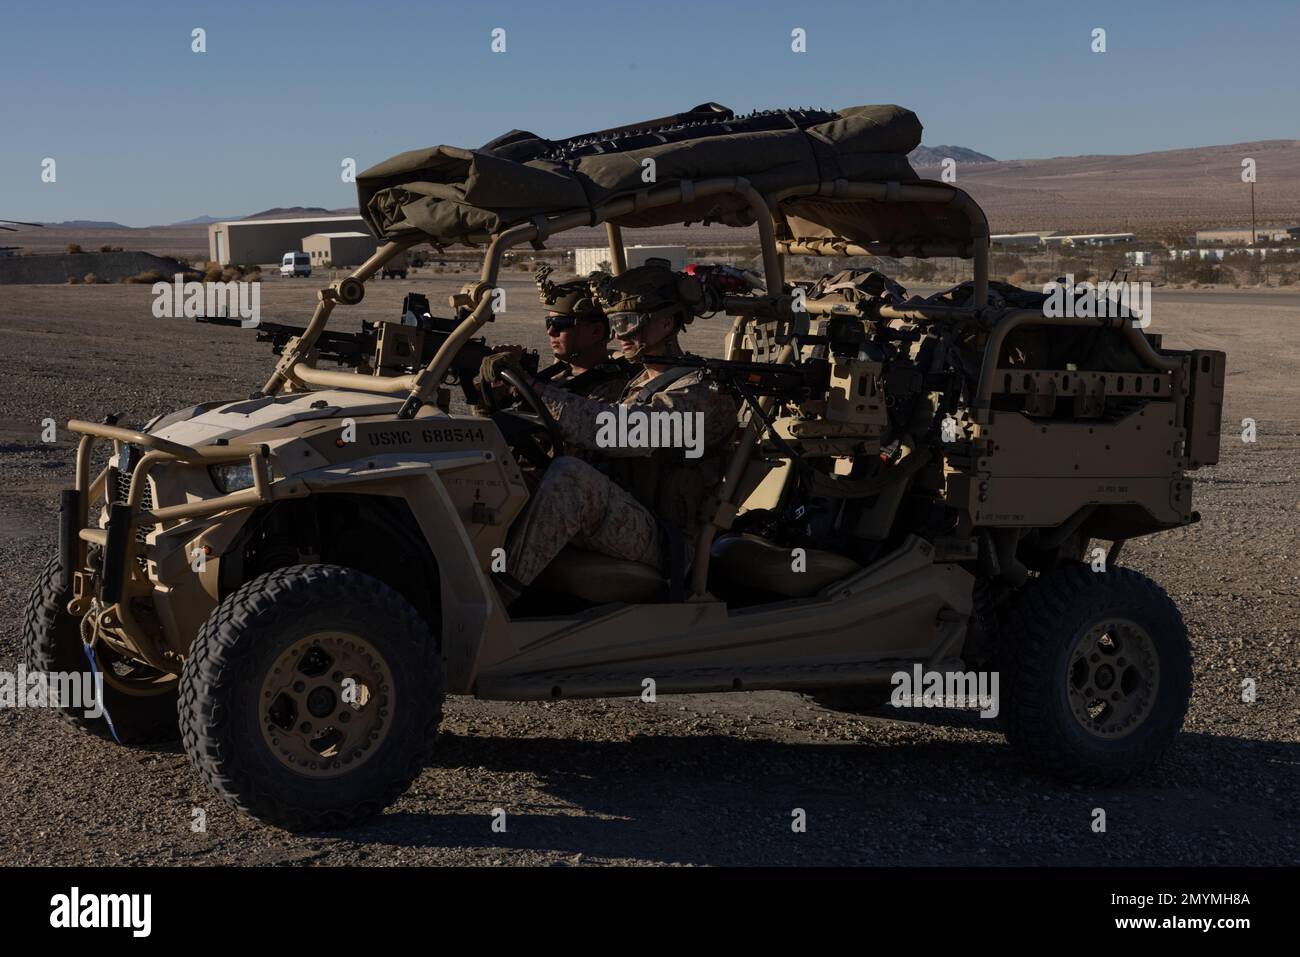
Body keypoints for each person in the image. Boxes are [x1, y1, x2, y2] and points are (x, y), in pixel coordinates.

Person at [483, 263, 738, 604]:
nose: (619, 335)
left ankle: (496, 603)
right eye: (614, 324)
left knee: (570, 478)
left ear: (666, 323)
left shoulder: (703, 394)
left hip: (666, 542)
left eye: (628, 323)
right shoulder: (636, 381)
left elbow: (616, 432)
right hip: (628, 514)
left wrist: (536, 389)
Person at [533, 265, 632, 403]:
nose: (551, 331)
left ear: (596, 332)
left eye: (560, 323)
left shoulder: (611, 388)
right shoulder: (560, 372)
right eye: (549, 323)